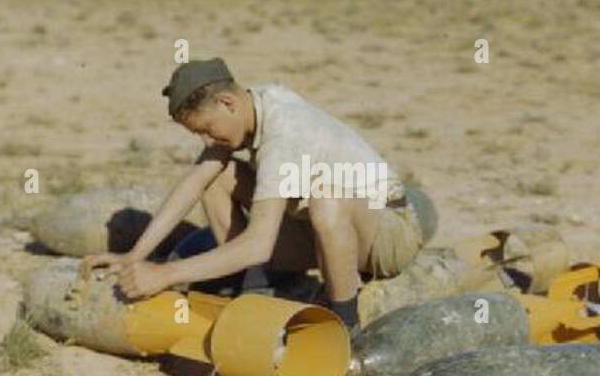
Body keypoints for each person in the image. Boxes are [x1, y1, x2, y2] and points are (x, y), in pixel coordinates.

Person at [81, 58, 431, 328]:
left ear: (227, 103)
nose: (206, 141)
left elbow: (259, 243)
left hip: (387, 232)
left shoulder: (284, 131)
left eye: (206, 130)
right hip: (321, 233)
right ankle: (244, 280)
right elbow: (196, 180)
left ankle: (345, 326)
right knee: (216, 174)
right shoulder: (252, 102)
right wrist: (135, 256)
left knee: (325, 198)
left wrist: (166, 274)